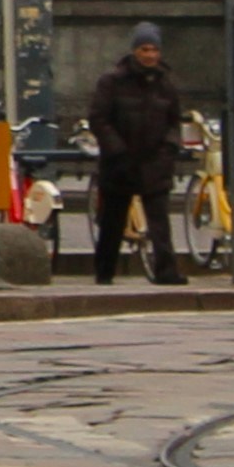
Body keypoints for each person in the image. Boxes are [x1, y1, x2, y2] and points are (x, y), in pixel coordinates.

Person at [86, 23, 188, 287]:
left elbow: (174, 121)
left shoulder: (166, 84)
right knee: (112, 221)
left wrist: (169, 148)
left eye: (154, 49)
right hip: (120, 162)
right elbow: (98, 118)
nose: (150, 55)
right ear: (134, 51)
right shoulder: (112, 81)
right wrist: (116, 150)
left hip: (155, 161)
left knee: (160, 222)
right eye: (145, 49)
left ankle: (166, 271)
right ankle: (104, 272)